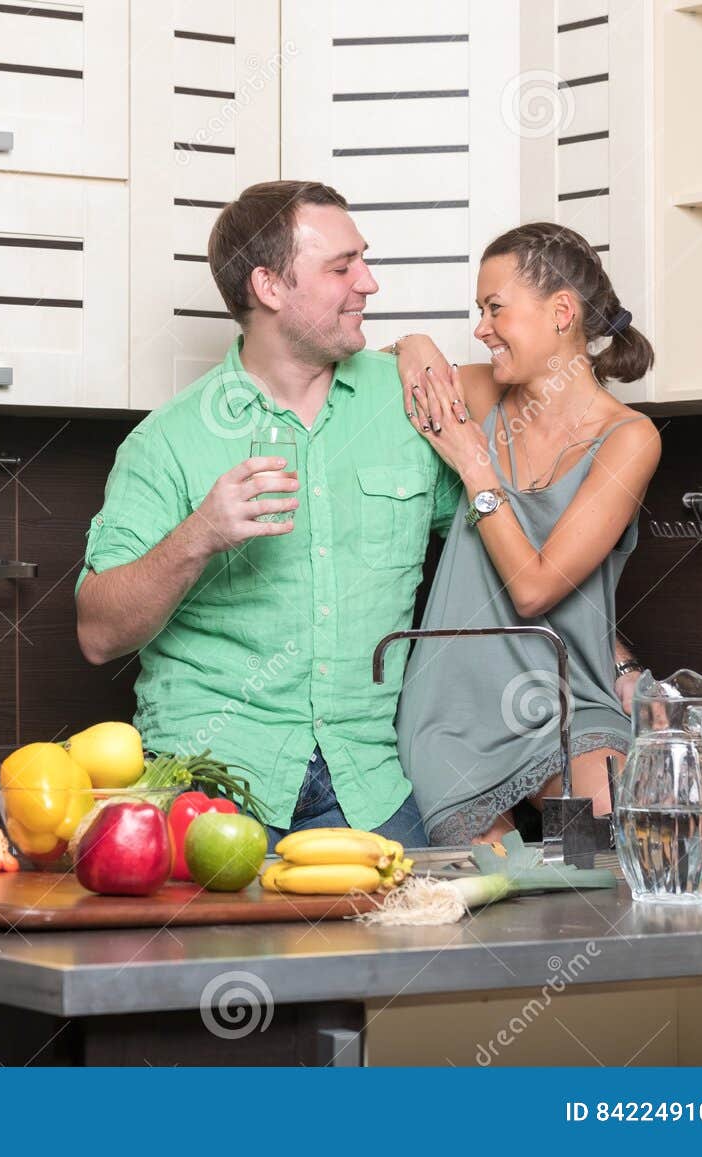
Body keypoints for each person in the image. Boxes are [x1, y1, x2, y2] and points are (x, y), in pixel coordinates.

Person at [75, 180, 459, 850]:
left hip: (370, 784)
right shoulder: (167, 441)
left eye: (360, 260)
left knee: (421, 945)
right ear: (270, 287)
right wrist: (197, 537)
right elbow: (99, 632)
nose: (368, 283)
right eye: (341, 268)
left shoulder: (406, 403)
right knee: (216, 954)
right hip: (209, 787)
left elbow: (494, 550)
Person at [390, 222, 659, 846]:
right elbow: (389, 367)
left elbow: (535, 590)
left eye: (494, 309)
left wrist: (475, 466)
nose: (481, 328)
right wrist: (413, 341)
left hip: (569, 703)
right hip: (449, 717)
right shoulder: (481, 395)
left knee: (598, 858)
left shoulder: (627, 438)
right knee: (492, 890)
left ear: (561, 312)